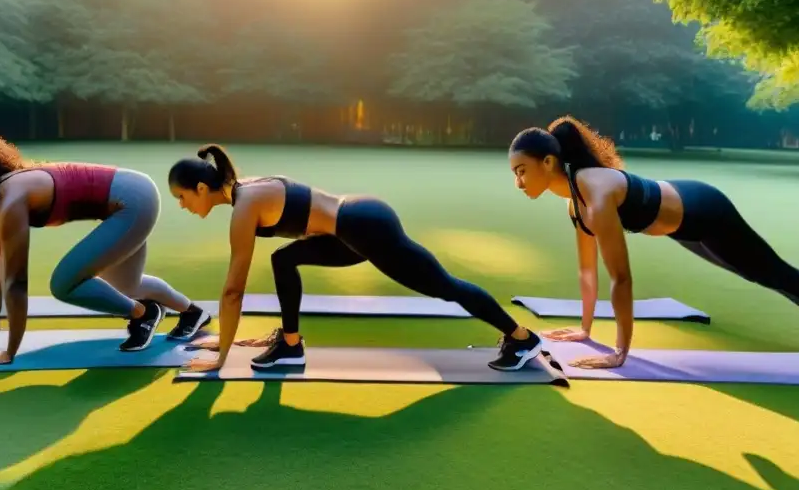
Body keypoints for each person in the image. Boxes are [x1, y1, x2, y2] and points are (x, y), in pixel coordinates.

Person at [508, 115, 799, 377]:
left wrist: (620, 352)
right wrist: (585, 330)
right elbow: (587, 271)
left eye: (522, 170)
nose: (518, 182)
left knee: (774, 272)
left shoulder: (595, 192)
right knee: (762, 274)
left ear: (549, 162)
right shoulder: (575, 204)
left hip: (703, 209)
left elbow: (621, 278)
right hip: (682, 227)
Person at [167, 144, 543, 373]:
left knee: (444, 287)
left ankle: (522, 338)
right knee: (284, 259)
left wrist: (221, 357)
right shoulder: (247, 192)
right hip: (348, 229)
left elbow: (233, 290)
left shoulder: (244, 207)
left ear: (202, 188)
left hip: (363, 225)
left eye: (182, 197)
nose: (183, 206)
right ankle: (291, 345)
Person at [0, 133, 209, 365]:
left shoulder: (11, 198)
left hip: (134, 202)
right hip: (135, 194)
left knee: (64, 283)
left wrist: (8, 352)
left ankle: (145, 313)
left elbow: (16, 281)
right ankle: (192, 312)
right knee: (126, 286)